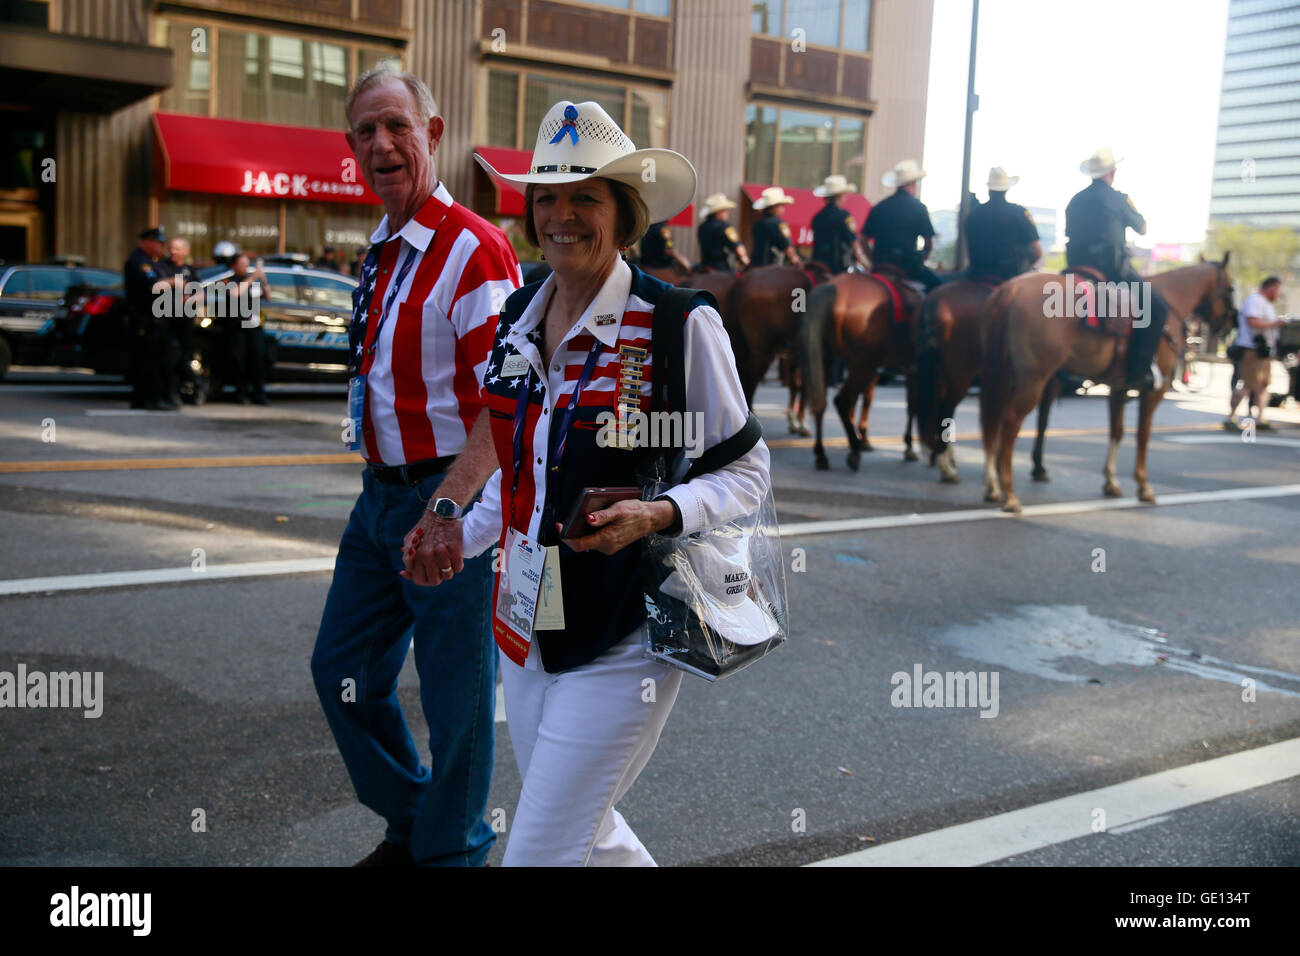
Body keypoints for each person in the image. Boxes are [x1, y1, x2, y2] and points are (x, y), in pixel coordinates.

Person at [471, 100, 770, 866]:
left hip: (624, 631)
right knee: (588, 832)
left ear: (626, 215)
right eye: (546, 196)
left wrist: (662, 511)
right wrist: (454, 525)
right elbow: (519, 470)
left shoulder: (676, 323)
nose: (560, 215)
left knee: (538, 849)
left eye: (585, 197)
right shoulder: (516, 316)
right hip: (524, 624)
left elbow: (745, 470)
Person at [309, 61, 521, 868]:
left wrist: (448, 509)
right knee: (342, 671)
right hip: (380, 499)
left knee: (457, 699)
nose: (382, 144)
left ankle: (448, 853)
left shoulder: (475, 249)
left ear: (431, 134)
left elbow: (502, 405)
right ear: (352, 148)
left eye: (398, 126)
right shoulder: (383, 248)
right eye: (366, 131)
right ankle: (417, 820)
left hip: (447, 500)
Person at [1065, 147, 1170, 391]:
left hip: (1076, 267)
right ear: (1112, 171)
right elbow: (1142, 228)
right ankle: (1138, 371)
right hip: (1112, 269)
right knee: (1156, 309)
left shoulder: (1075, 199)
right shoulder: (1118, 198)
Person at [860, 159, 940, 290]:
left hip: (880, 265)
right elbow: (928, 244)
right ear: (913, 184)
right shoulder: (918, 207)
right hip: (907, 267)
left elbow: (863, 240)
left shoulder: (879, 207)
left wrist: (873, 259)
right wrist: (920, 260)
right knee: (938, 287)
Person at [123, 226, 176, 411]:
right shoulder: (139, 262)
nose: (162, 247)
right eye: (159, 243)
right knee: (148, 361)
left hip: (154, 320)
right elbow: (152, 286)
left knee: (154, 360)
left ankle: (146, 399)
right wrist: (172, 282)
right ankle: (150, 399)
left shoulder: (152, 262)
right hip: (144, 319)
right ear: (148, 243)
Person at [1226, 276, 1285, 430]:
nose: (1278, 294)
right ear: (1270, 287)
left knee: (1262, 387)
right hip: (1252, 350)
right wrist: (1276, 323)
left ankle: (1260, 419)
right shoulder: (1255, 301)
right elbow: (1252, 322)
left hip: (1263, 352)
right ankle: (1230, 417)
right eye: (1277, 290)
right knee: (1247, 385)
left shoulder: (1265, 303)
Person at [963, 167, 1042, 280]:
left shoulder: (973, 214)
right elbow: (1037, 252)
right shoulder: (1019, 213)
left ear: (989, 190)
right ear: (1006, 190)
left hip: (975, 274)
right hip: (1009, 276)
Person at [219, 253, 271, 405]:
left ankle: (259, 393)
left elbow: (268, 296)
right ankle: (241, 393)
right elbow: (234, 294)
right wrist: (253, 277)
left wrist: (264, 280)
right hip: (237, 326)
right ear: (234, 266)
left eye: (247, 265)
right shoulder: (229, 280)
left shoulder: (253, 281)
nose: (245, 268)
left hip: (254, 325)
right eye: (242, 265)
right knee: (239, 360)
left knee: (257, 359)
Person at [157, 237, 201, 405]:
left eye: (177, 249)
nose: (173, 251)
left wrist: (191, 298)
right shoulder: (163, 267)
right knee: (169, 357)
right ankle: (168, 393)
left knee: (183, 357)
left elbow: (200, 292)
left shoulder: (190, 270)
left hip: (185, 321)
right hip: (166, 320)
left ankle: (186, 389)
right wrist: (174, 284)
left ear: (186, 251)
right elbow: (156, 285)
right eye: (172, 248)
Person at [810, 174, 866, 274]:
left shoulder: (817, 217)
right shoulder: (844, 216)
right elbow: (853, 241)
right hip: (840, 265)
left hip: (818, 262)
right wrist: (862, 259)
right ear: (840, 196)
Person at [696, 193, 750, 271]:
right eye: (726, 210)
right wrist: (745, 260)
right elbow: (738, 247)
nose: (728, 213)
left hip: (704, 267)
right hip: (721, 268)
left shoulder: (702, 227)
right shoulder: (725, 227)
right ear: (719, 212)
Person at [751, 186, 801, 267]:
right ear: (774, 207)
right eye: (782, 205)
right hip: (772, 269)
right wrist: (794, 258)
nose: (783, 208)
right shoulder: (779, 224)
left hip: (755, 266)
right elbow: (787, 246)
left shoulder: (758, 224)